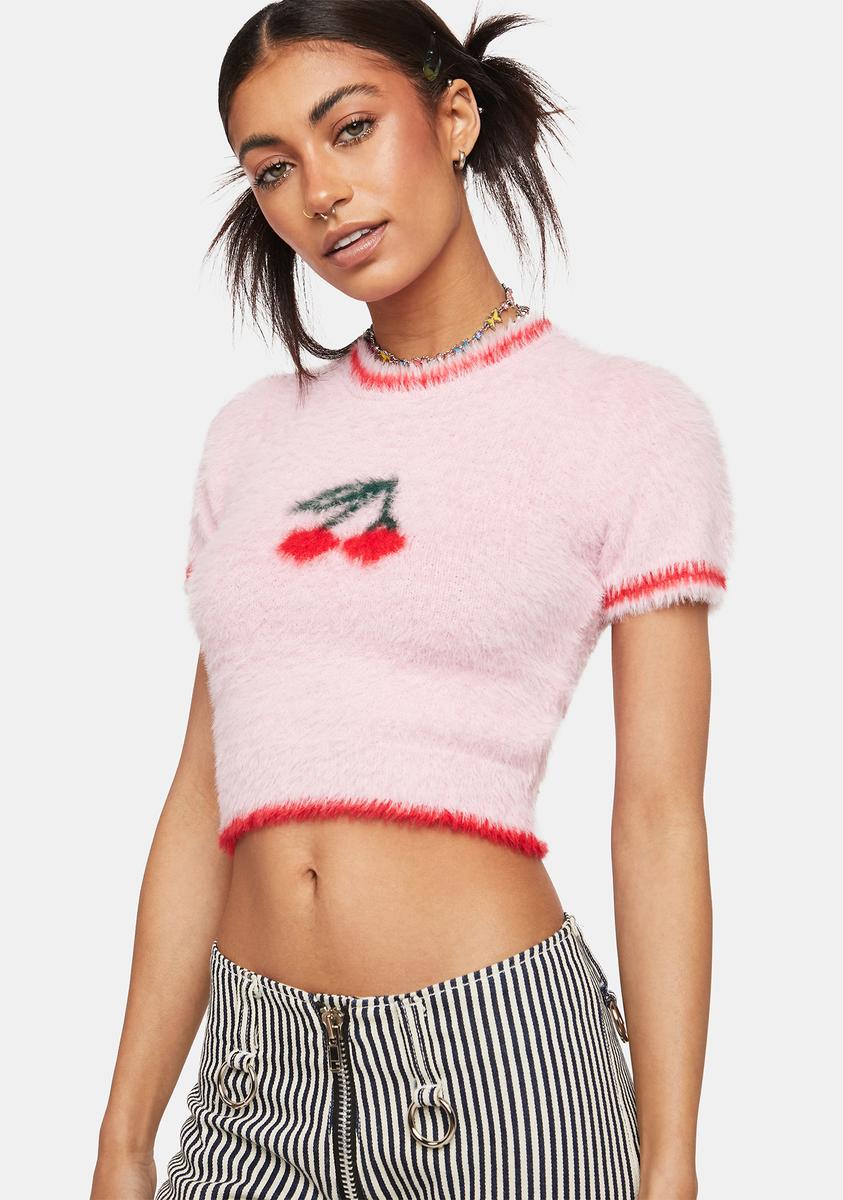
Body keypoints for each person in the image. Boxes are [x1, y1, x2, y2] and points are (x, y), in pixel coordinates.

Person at [91, 3, 734, 1198]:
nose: (320, 193)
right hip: (251, 1083)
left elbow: (659, 816)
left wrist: (673, 1163)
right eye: (273, 168)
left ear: (453, 117)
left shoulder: (628, 423)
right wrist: (125, 1135)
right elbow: (200, 794)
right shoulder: (252, 439)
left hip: (493, 1072)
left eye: (351, 129)